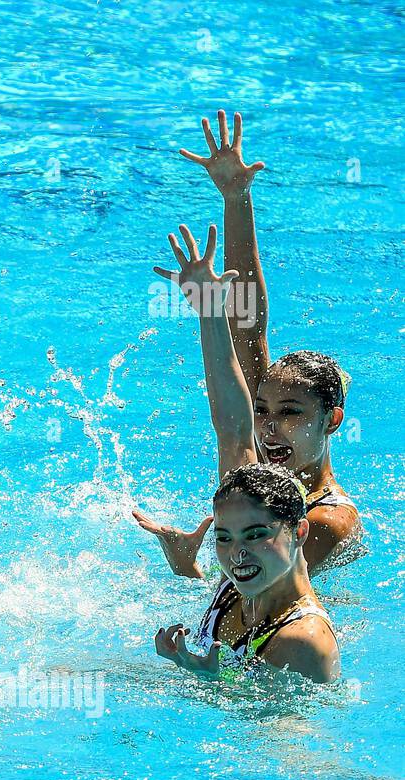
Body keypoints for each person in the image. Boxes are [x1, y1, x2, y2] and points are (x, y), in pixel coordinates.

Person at [134, 111, 362, 577]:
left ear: (332, 420)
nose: (269, 427)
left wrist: (191, 574)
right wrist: (236, 197)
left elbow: (250, 601)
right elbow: (248, 328)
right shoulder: (265, 474)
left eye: (292, 413)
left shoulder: (328, 522)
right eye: (263, 410)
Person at [150, 224, 338, 684]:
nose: (236, 554)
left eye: (255, 534)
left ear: (299, 531)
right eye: (225, 538)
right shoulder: (253, 579)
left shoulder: (303, 643)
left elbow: (283, 748)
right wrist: (209, 312)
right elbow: (233, 426)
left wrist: (210, 687)